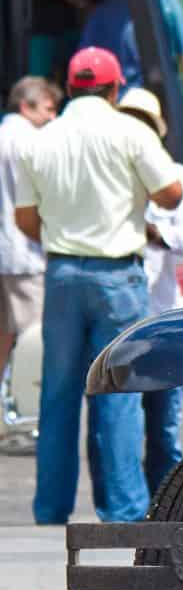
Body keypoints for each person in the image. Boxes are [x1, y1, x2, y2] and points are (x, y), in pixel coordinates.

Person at [14, 47, 183, 524]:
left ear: (69, 88)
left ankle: (51, 509)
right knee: (118, 393)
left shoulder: (39, 141)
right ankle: (124, 510)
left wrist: (63, 234)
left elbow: (26, 219)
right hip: (117, 276)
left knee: (58, 395)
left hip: (63, 273)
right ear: (114, 90)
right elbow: (172, 193)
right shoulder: (129, 131)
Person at [118, 88, 183, 496]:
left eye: (144, 123)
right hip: (120, 315)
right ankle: (131, 507)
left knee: (164, 425)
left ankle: (165, 506)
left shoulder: (178, 177)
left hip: (161, 314)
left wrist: (153, 233)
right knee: (121, 421)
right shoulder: (110, 173)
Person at [77, 0, 183, 138]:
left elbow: (84, 65)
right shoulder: (168, 4)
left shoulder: (101, 12)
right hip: (163, 106)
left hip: (116, 106)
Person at [0, 77, 60, 389]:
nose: (52, 117)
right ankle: (29, 408)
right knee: (33, 337)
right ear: (26, 106)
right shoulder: (32, 142)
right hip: (24, 255)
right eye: (48, 109)